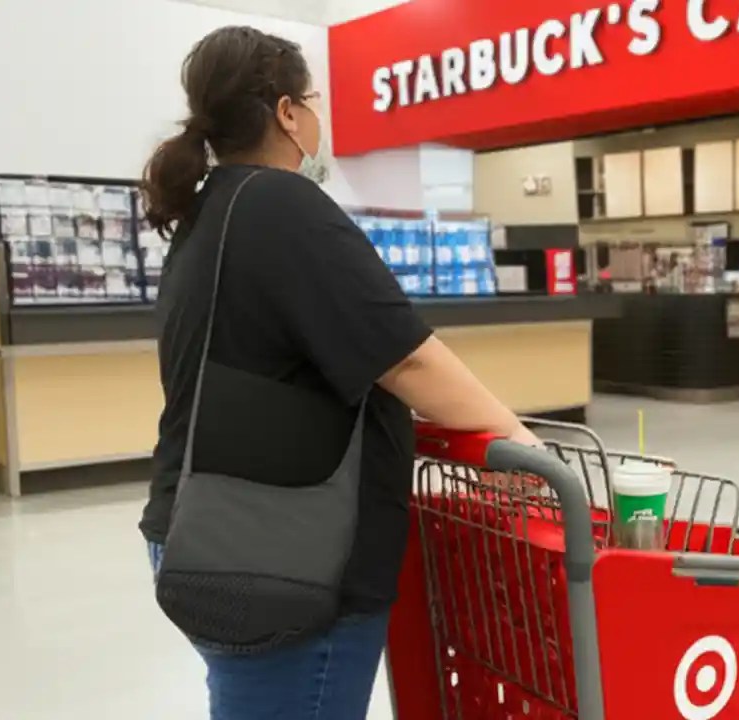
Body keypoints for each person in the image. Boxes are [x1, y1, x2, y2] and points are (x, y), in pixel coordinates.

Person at [137, 26, 537, 719]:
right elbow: (406, 356)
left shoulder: (208, 211)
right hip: (285, 555)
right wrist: (515, 436)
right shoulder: (279, 204)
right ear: (288, 113)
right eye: (313, 101)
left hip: (206, 525)